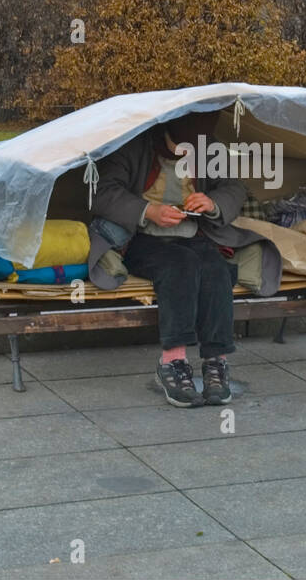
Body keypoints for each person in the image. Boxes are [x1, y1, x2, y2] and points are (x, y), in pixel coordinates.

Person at [87, 111, 281, 408]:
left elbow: (234, 188)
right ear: (168, 131)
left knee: (216, 270)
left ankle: (216, 362)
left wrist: (212, 203)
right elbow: (102, 191)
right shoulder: (135, 146)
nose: (188, 153)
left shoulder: (207, 147)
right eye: (182, 147)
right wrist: (148, 211)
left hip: (195, 234)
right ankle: (173, 363)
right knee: (179, 266)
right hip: (141, 239)